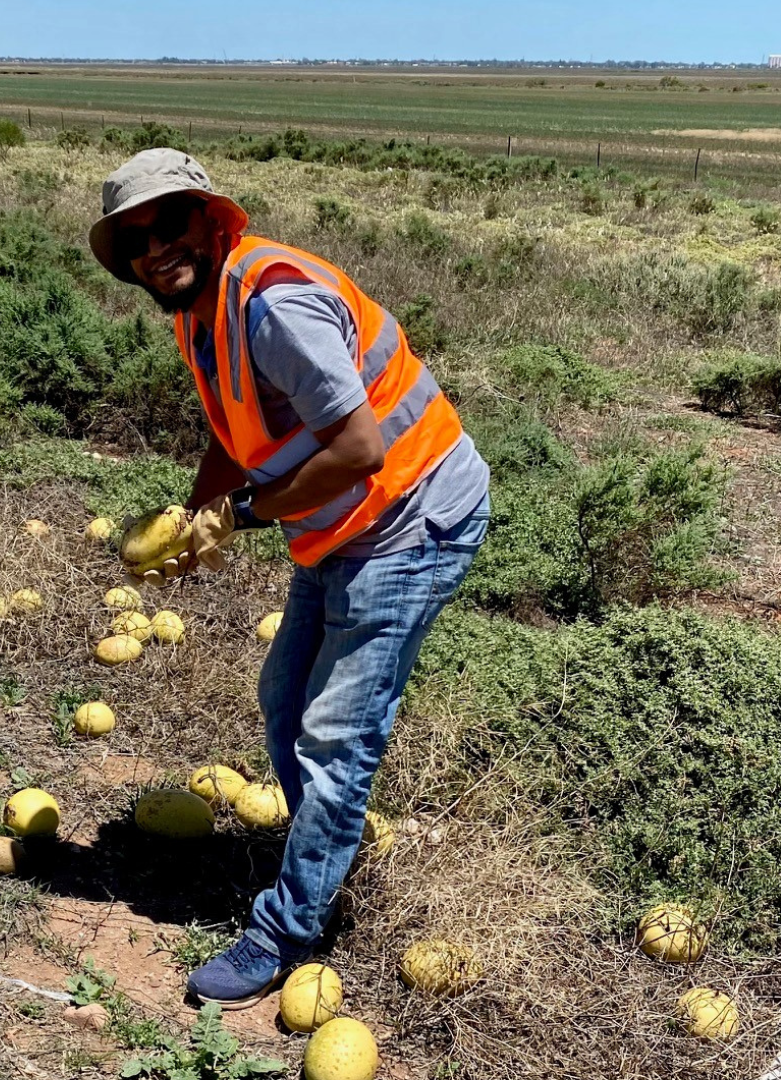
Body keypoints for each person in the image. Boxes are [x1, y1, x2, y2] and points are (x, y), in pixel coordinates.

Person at [89, 149, 491, 1008]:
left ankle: (290, 927)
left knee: (338, 735)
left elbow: (358, 449)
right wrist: (197, 509)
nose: (154, 249)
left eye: (168, 224)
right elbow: (237, 425)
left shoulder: (273, 304)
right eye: (133, 241)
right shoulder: (200, 307)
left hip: (412, 521)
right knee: (284, 702)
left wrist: (245, 515)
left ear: (209, 217)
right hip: (344, 527)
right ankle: (326, 852)